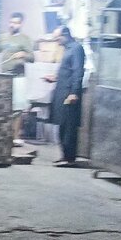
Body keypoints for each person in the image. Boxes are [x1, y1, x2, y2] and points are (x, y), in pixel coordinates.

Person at [0, 12, 35, 141]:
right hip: (3, 77)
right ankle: (3, 136)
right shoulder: (3, 37)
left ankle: (15, 137)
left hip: (18, 77)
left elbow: (32, 58)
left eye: (16, 23)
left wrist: (23, 54)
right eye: (11, 22)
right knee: (2, 107)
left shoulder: (25, 39)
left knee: (17, 109)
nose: (12, 25)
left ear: (21, 24)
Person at [43, 26, 85, 166]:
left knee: (69, 126)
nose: (56, 41)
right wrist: (55, 78)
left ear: (65, 35)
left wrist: (74, 92)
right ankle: (64, 155)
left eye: (57, 38)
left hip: (69, 93)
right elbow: (67, 71)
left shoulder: (76, 49)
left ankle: (70, 158)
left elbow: (77, 72)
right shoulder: (67, 49)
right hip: (61, 90)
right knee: (62, 124)